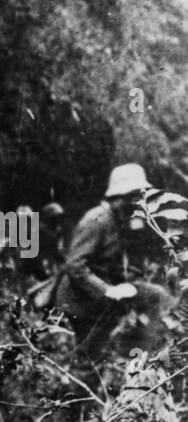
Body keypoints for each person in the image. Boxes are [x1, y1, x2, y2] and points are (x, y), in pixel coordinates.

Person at [57, 163, 154, 385]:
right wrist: (107, 290)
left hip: (97, 299)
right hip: (80, 300)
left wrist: (127, 280)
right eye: (133, 196)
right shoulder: (97, 219)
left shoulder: (117, 220)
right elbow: (75, 265)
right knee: (88, 359)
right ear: (119, 196)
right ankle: (75, 401)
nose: (137, 201)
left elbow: (110, 262)